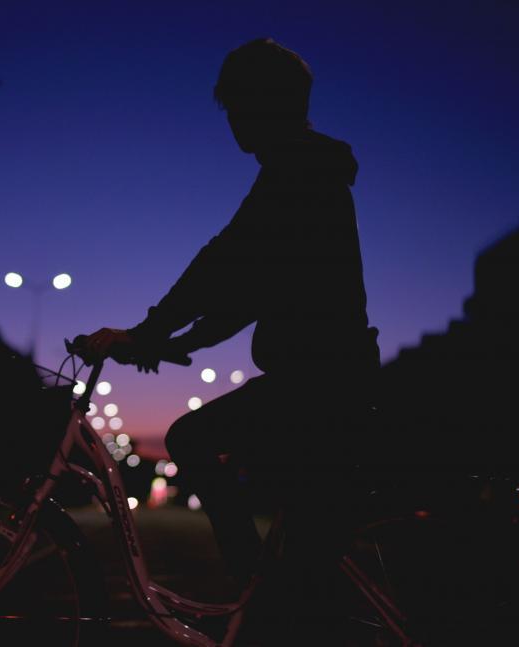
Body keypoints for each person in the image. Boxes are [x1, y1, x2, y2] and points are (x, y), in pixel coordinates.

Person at [84, 37, 381, 639]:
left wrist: (146, 333)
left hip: (321, 383)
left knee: (189, 438)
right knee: (302, 560)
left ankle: (254, 585)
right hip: (328, 378)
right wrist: (173, 340)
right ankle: (271, 597)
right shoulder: (305, 172)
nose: (233, 121)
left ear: (264, 105)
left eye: (238, 106)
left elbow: (224, 263)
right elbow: (253, 288)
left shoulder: (295, 175)